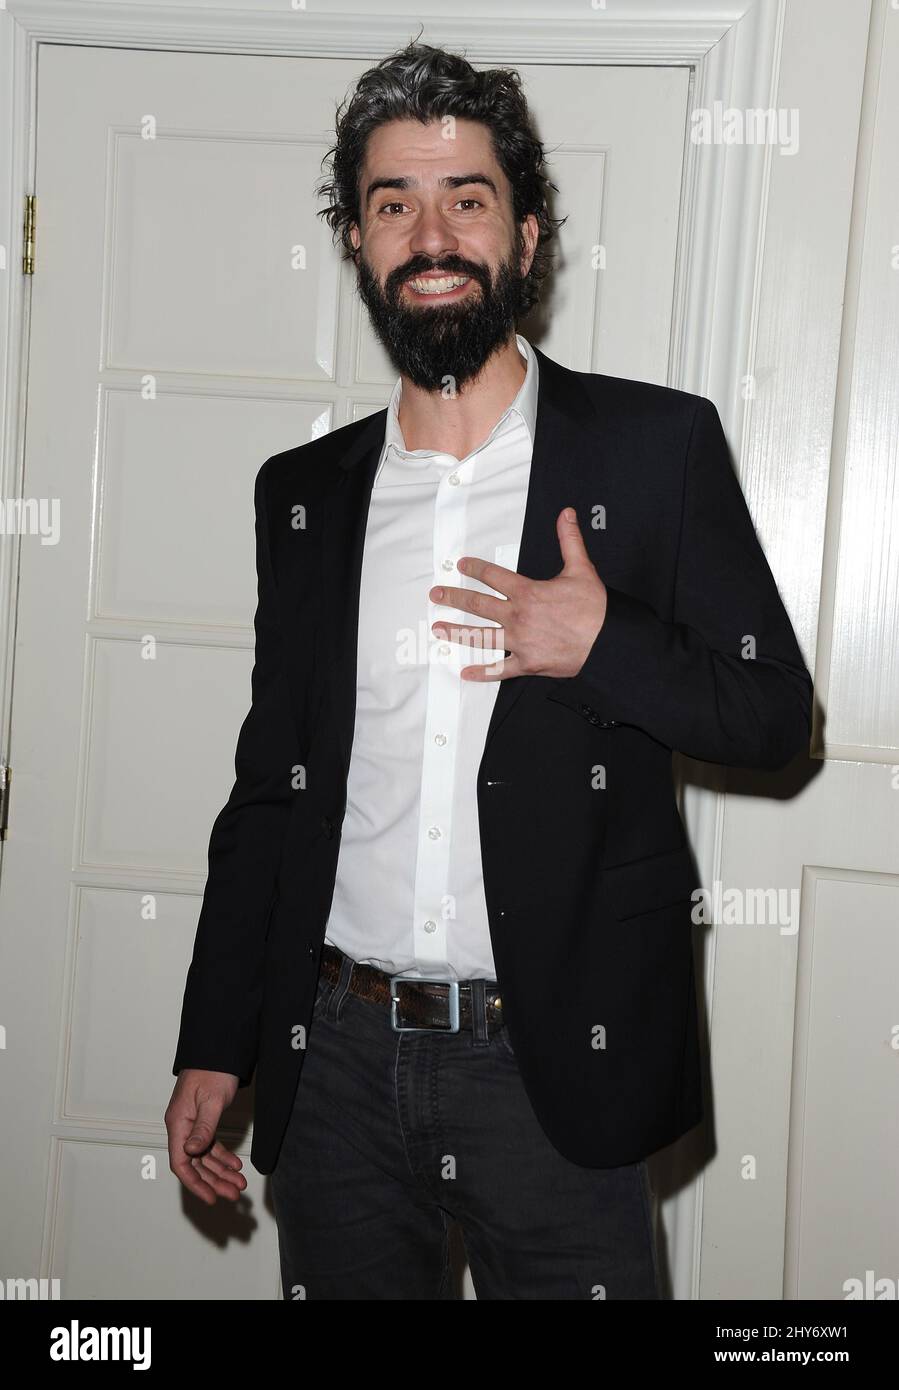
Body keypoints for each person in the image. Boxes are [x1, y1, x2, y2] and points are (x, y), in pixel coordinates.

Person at [165, 42, 813, 1300]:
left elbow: (771, 714)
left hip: (551, 1062)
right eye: (391, 203)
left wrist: (602, 643)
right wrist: (215, 1043)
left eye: (466, 196)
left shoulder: (652, 449)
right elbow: (268, 794)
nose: (429, 233)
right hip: (338, 1059)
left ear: (525, 237)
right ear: (356, 241)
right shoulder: (302, 498)